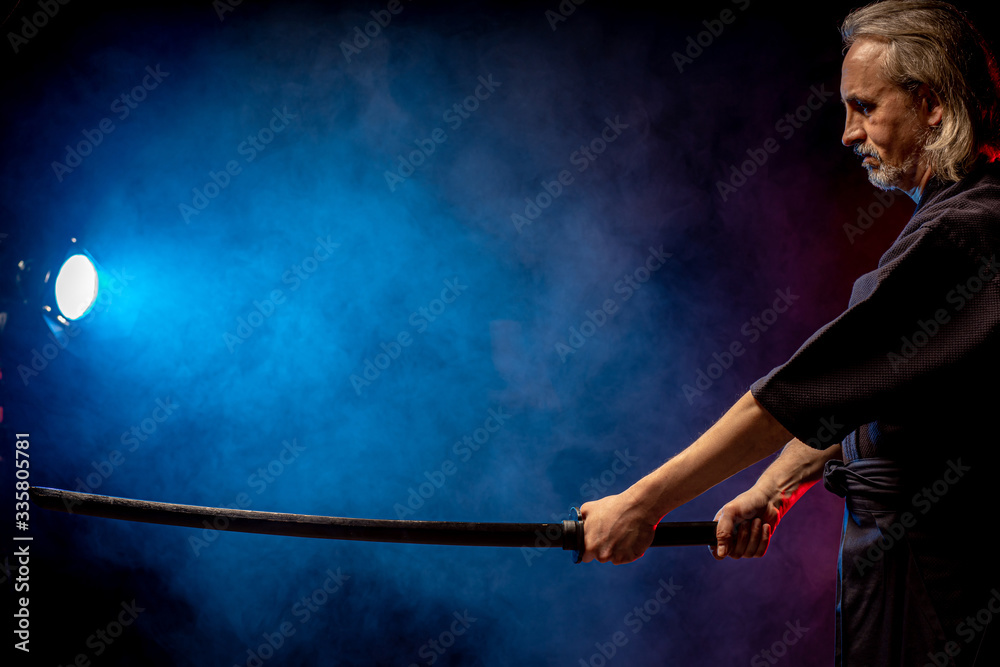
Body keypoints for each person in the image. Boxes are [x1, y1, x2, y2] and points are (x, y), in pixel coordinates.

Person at [579, 1, 1000, 665]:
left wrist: (640, 502)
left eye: (864, 106)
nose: (847, 134)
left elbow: (797, 395)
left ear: (933, 105)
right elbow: (854, 395)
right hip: (906, 574)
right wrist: (771, 492)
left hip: (945, 587)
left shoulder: (967, 233)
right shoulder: (951, 222)